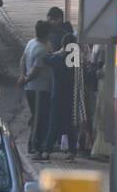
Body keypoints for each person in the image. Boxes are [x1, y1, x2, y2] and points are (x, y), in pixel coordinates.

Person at [40, 31, 77, 160]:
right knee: (70, 125)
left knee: (53, 123)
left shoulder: (58, 58)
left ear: (63, 44)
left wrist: (56, 51)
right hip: (70, 95)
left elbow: (46, 59)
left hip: (57, 96)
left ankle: (47, 151)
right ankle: (72, 151)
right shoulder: (75, 61)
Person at [19, 21, 52, 154]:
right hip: (39, 88)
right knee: (39, 118)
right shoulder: (42, 50)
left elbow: (22, 59)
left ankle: (36, 143)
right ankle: (34, 145)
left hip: (31, 88)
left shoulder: (31, 43)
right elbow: (36, 70)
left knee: (36, 116)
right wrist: (26, 79)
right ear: (47, 34)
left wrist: (22, 76)